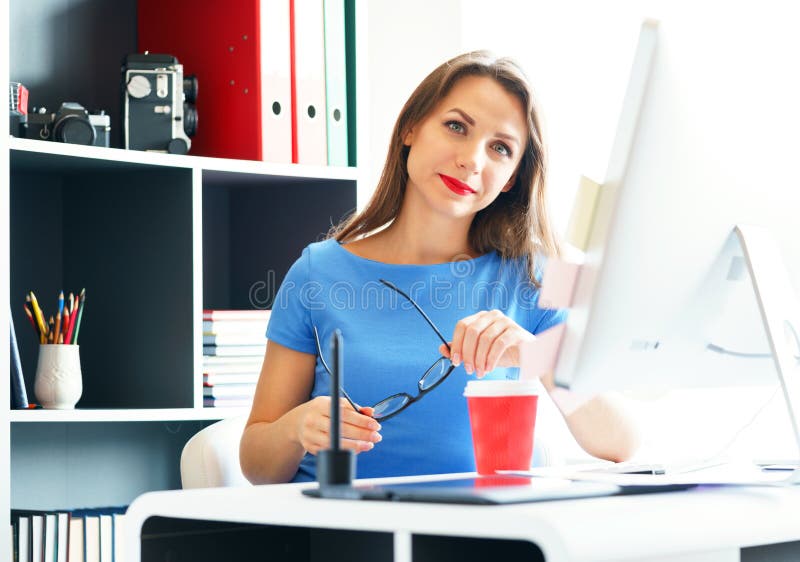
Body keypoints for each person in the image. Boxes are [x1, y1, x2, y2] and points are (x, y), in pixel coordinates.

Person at [240, 51, 640, 485]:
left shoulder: (543, 274)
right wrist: (297, 429)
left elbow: (624, 443)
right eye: (456, 126)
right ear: (411, 127)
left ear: (511, 179)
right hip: (343, 533)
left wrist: (539, 355)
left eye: (500, 148)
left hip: (480, 534)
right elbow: (257, 466)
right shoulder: (316, 272)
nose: (472, 159)